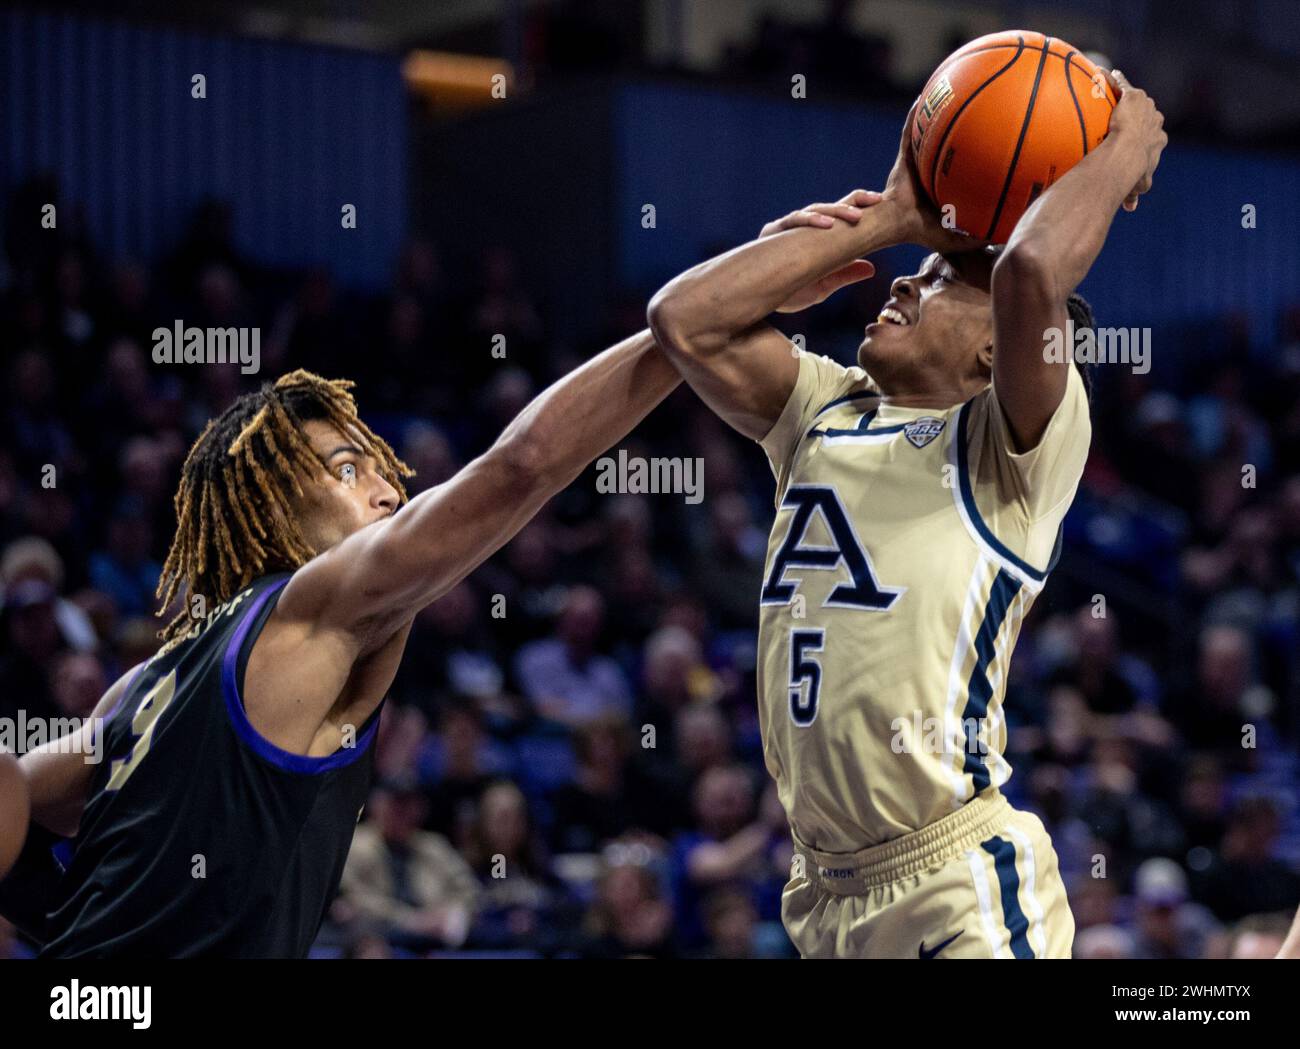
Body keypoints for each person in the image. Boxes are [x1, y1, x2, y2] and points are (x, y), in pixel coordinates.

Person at [646, 70, 1167, 957]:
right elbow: (681, 319)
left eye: (933, 280)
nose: (900, 283)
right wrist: (893, 211)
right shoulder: (826, 409)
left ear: (995, 347)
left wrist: (1123, 149)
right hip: (821, 888)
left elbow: (1034, 268)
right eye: (911, 269)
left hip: (952, 878)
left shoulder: (1012, 449)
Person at [0, 328, 680, 957]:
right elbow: (522, 465)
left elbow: (12, 791)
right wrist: (678, 339)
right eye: (350, 469)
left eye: (384, 466)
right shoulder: (314, 606)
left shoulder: (142, 686)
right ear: (272, 503)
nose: (388, 490)